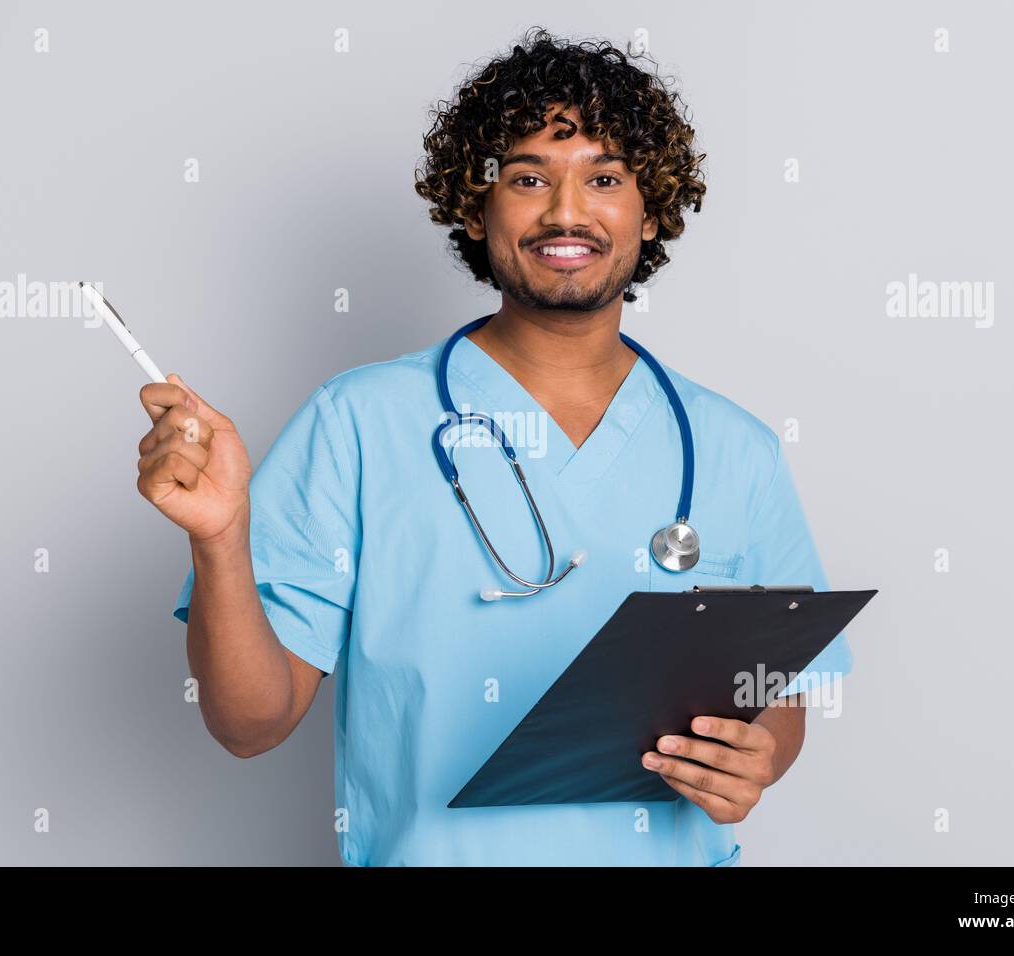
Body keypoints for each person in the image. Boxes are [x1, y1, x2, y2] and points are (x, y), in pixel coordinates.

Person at [135, 28, 852, 866]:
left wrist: (761, 755)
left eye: (606, 178)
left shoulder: (737, 450)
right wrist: (219, 539)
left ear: (650, 208)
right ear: (475, 207)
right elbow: (248, 725)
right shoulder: (357, 422)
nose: (565, 212)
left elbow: (776, 692)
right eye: (527, 178)